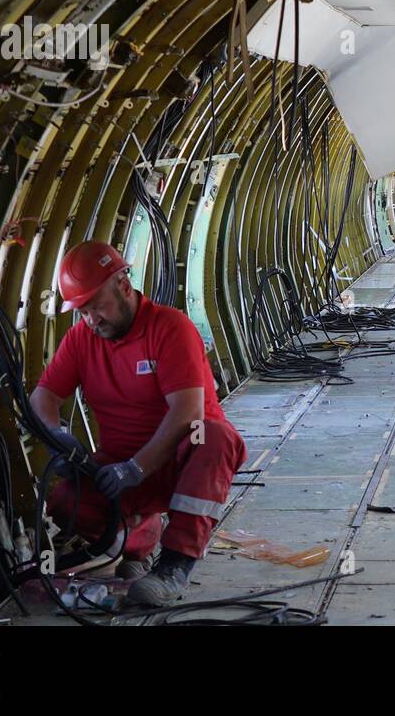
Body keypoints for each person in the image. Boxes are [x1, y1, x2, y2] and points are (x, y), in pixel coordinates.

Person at [29, 240, 246, 606]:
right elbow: (42, 398)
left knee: (213, 437)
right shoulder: (82, 338)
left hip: (181, 461)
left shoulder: (169, 327)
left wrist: (137, 467)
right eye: (82, 311)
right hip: (120, 469)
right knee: (66, 499)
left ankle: (174, 567)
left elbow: (187, 412)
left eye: (97, 307)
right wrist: (58, 436)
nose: (91, 320)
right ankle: (137, 543)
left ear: (124, 287)